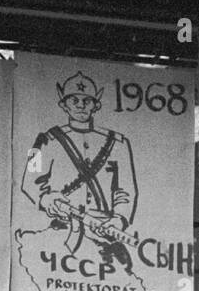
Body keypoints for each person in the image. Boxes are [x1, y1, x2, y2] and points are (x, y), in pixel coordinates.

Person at [20, 70, 137, 268]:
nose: (81, 105)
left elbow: (125, 189)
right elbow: (29, 180)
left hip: (103, 229)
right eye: (74, 100)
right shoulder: (45, 140)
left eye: (87, 101)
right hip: (63, 225)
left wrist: (119, 219)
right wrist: (46, 199)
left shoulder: (118, 143)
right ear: (64, 105)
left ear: (95, 105)